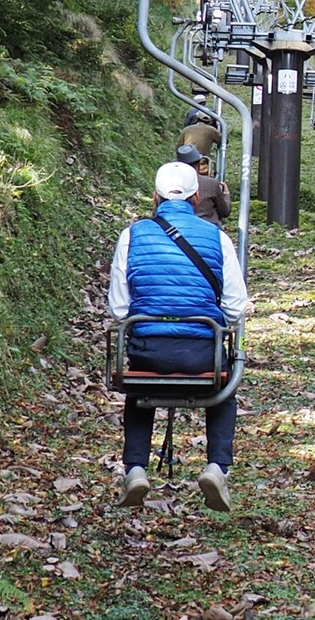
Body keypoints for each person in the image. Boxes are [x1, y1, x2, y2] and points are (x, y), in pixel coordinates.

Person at [108, 161, 249, 511]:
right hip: (202, 352)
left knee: (140, 390)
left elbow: (119, 309)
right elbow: (234, 308)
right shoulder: (218, 238)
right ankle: (217, 466)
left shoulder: (132, 235)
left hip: (147, 352)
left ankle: (136, 468)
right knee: (224, 387)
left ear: (154, 197)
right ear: (196, 196)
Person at [176, 142, 231, 226]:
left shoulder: (171, 183)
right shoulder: (211, 183)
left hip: (178, 228)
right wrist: (226, 194)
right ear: (198, 164)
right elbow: (225, 211)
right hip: (208, 229)